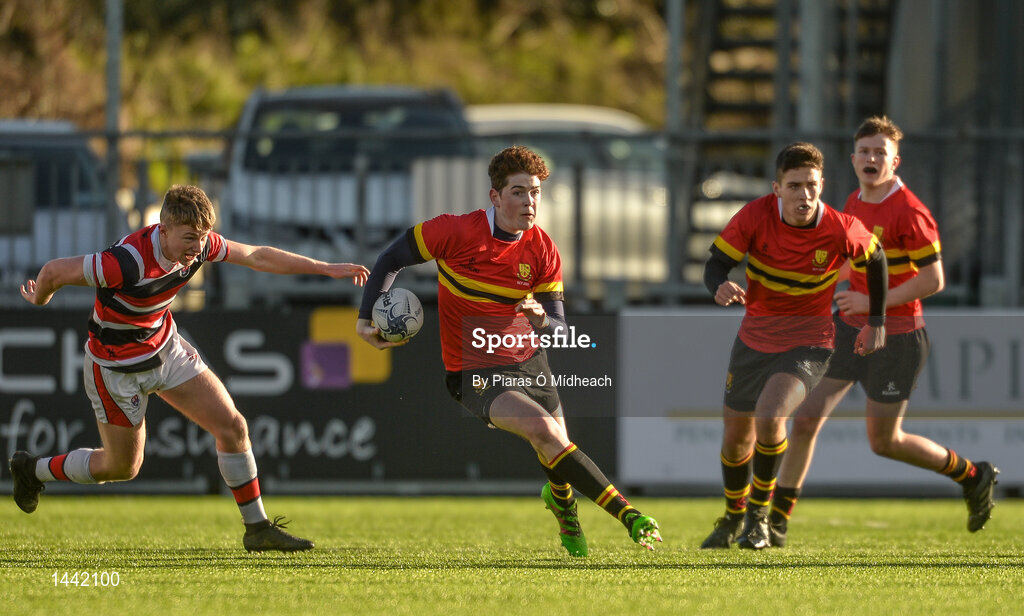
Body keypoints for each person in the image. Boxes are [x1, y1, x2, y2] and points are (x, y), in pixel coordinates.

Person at [9, 184, 369, 553]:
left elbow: (258, 256)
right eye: (189, 238)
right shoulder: (125, 262)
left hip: (165, 349)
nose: (197, 248)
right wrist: (39, 297)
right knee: (121, 467)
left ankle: (257, 528)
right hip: (116, 370)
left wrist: (326, 269)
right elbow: (54, 271)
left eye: (202, 237)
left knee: (232, 426)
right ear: (162, 230)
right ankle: (32, 470)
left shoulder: (201, 245)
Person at [356, 145, 661, 556]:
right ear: (495, 197)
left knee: (555, 447)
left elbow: (559, 328)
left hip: (531, 361)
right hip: (473, 370)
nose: (529, 202)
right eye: (518, 192)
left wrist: (541, 322)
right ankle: (629, 515)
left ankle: (562, 504)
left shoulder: (543, 250)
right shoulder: (455, 232)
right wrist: (365, 317)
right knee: (545, 432)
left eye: (535, 192)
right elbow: (391, 259)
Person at [768, 117, 999, 542]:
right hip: (848, 328)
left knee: (885, 441)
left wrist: (871, 302)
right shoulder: (854, 200)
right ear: (853, 159)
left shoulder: (910, 211)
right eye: (865, 151)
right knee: (804, 421)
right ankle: (776, 523)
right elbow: (849, 261)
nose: (872, 158)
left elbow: (934, 280)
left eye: (880, 152)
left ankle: (972, 474)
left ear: (895, 160)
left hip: (898, 336)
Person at [700, 142, 889, 550]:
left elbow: (876, 259)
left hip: (810, 341)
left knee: (770, 417)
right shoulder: (755, 216)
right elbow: (715, 263)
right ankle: (733, 516)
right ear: (777, 188)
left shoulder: (839, 227)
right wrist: (719, 286)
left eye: (812, 185)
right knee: (736, 437)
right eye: (795, 185)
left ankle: (758, 517)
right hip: (754, 339)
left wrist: (876, 322)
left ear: (823, 185)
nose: (805, 195)